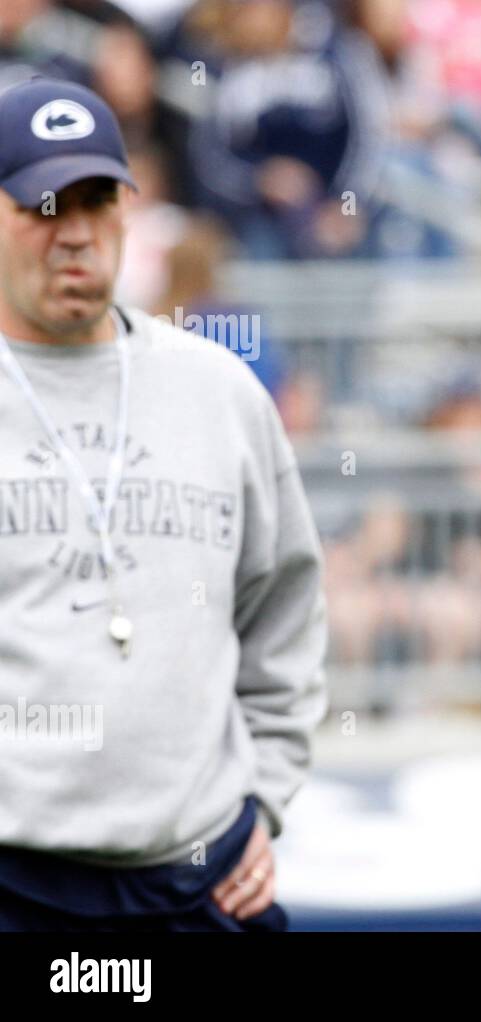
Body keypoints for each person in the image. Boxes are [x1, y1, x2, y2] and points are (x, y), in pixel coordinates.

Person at [0, 77, 328, 931]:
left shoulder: (216, 388)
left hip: (198, 879)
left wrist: (264, 799)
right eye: (40, 205)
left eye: (98, 200)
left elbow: (285, 607)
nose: (75, 234)